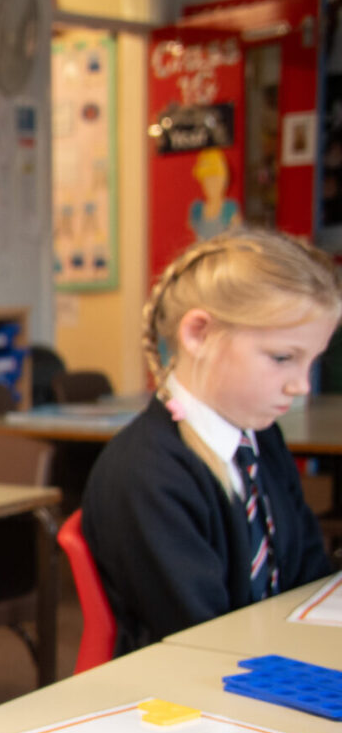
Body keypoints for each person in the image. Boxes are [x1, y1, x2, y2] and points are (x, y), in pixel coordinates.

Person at [84, 227, 340, 655]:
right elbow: (204, 641)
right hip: (190, 696)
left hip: (272, 666)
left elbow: (309, 575)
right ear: (199, 334)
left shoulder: (261, 439)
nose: (302, 386)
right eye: (282, 358)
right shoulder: (146, 474)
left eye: (311, 362)